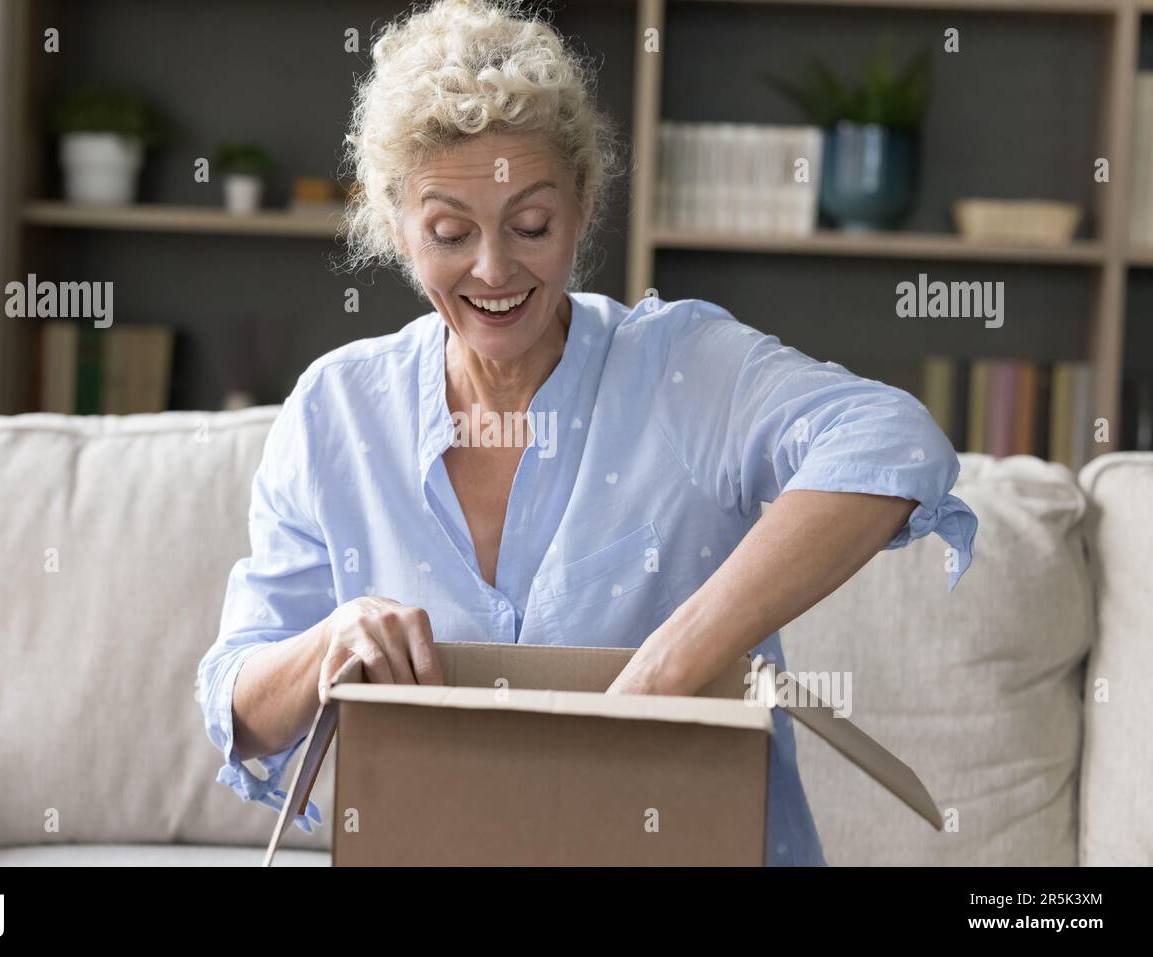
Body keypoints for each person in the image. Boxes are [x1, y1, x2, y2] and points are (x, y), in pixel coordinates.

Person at [195, 0, 978, 866]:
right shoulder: (335, 412)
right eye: (451, 232)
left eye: (531, 226)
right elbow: (237, 705)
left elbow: (892, 439)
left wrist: (670, 663)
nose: (494, 270)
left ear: (583, 205)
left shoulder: (680, 369)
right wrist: (329, 642)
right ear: (394, 225)